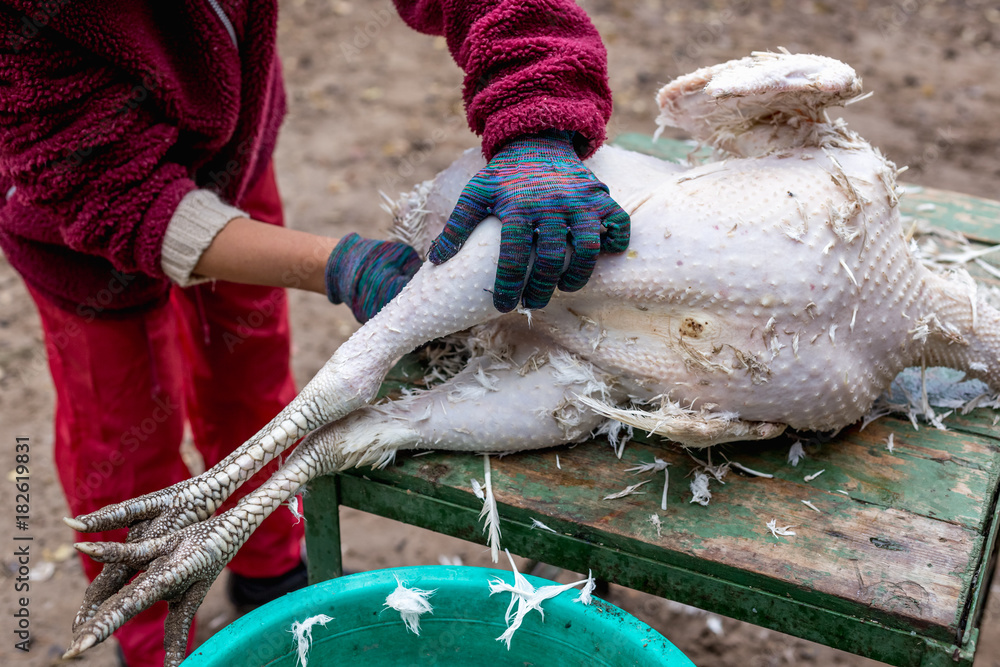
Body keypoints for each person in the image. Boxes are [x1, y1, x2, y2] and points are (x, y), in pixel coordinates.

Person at [0, 1, 629, 665]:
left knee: (249, 366)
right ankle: (148, 628)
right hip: (81, 230)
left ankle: (270, 567)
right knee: (122, 430)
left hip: (231, 154)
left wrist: (538, 110)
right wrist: (334, 263)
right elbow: (121, 200)